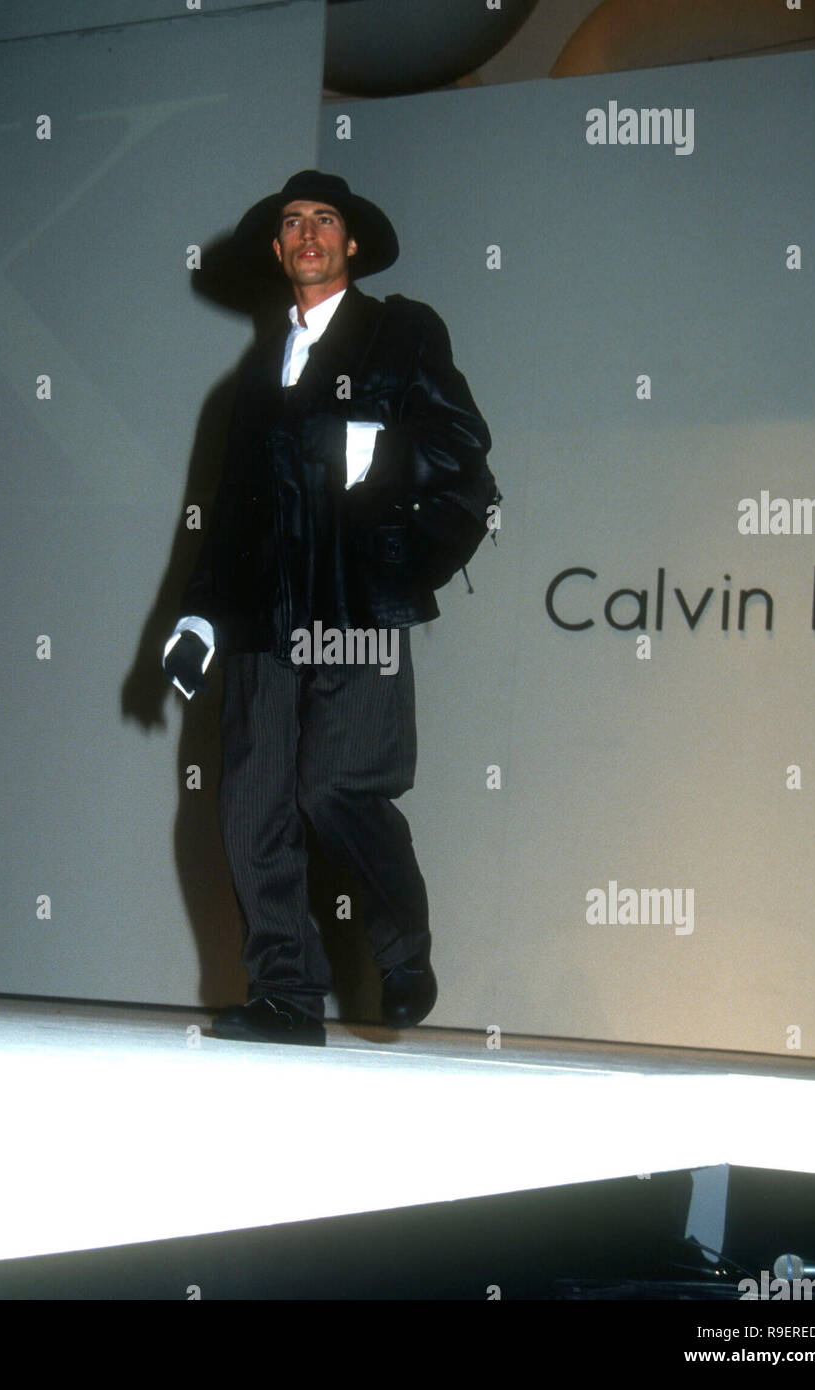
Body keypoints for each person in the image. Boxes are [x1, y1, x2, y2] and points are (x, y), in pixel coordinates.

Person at [163, 170, 496, 1046]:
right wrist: (197, 619)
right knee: (251, 806)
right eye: (291, 223)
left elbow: (462, 443)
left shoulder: (400, 331)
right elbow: (230, 513)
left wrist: (376, 449)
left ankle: (401, 947)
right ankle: (285, 994)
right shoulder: (249, 380)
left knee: (337, 786)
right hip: (263, 619)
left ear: (350, 243)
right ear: (276, 251)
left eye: (324, 219)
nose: (307, 232)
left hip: (352, 604)